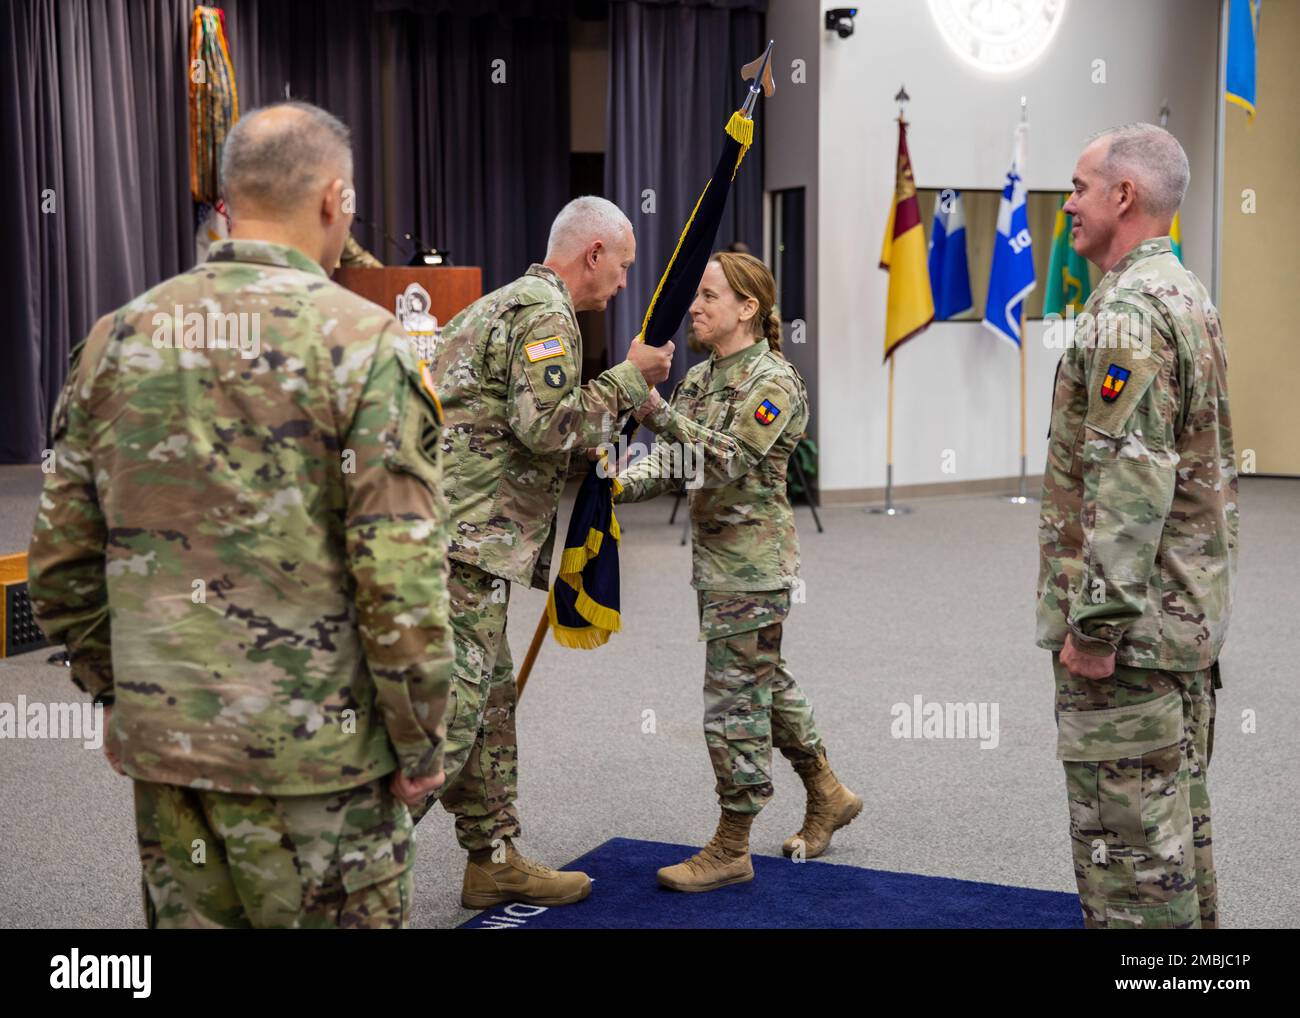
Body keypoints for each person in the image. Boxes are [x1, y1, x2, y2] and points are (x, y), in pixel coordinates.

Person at [26, 101, 454, 929]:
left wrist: (122, 698)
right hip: (323, 766)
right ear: (335, 201)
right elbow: (398, 582)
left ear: (228, 197)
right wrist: (421, 740)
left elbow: (59, 567)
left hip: (173, 755)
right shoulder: (367, 346)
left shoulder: (115, 339)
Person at [415, 195, 674, 908]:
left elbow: (496, 425)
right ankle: (343, 876)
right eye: (621, 267)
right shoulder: (545, 314)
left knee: (490, 704)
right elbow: (547, 426)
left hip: (457, 539)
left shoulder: (493, 306)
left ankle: (493, 856)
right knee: (447, 719)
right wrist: (629, 379)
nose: (623, 282)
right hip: (468, 549)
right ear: (592, 254)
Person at [1038, 123, 1237, 929]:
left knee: (1130, 871)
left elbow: (1130, 488)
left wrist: (1095, 625)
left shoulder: (1127, 314)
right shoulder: (1185, 295)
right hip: (1179, 625)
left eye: (1080, 187)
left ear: (1124, 195)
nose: (1068, 205)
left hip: (1131, 642)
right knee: (1176, 841)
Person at [615, 252, 860, 892]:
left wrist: (653, 409)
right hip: (717, 567)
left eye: (708, 296)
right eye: (696, 296)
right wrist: (617, 484)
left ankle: (732, 845)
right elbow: (675, 463)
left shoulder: (774, 382)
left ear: (748, 308)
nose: (694, 307)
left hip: (753, 569)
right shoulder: (700, 380)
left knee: (732, 705)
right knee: (763, 685)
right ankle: (828, 792)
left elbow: (726, 459)